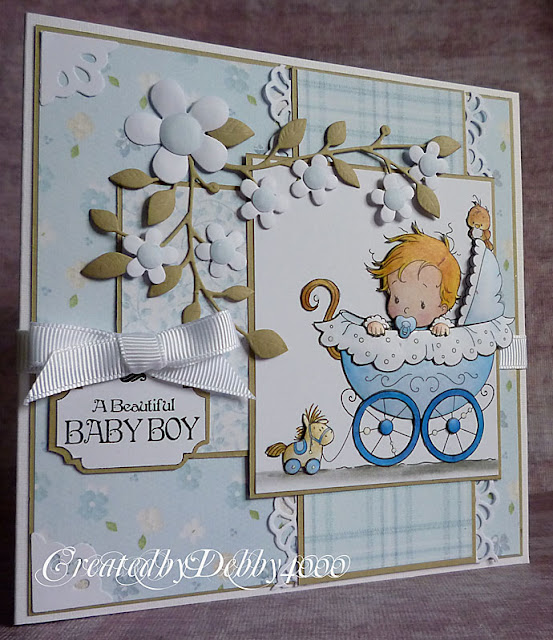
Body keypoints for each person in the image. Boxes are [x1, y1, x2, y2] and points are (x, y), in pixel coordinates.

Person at [365, 224, 461, 338]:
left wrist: (441, 327)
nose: (406, 310)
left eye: (422, 305)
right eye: (396, 300)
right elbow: (384, 329)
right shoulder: (394, 325)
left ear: (442, 308)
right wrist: (375, 325)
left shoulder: (438, 325)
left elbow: (447, 332)